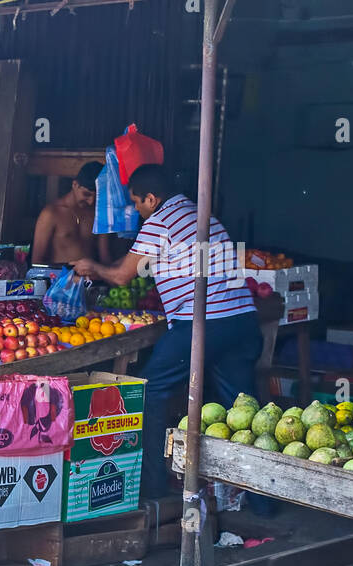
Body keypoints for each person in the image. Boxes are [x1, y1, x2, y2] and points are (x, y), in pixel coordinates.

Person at [71, 164, 261, 498]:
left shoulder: (159, 222)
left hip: (204, 324)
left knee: (151, 390)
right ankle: (262, 501)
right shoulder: (203, 215)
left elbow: (121, 276)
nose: (136, 210)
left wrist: (92, 267)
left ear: (152, 198)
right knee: (244, 410)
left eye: (138, 203)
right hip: (242, 320)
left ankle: (152, 490)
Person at [32, 161, 107, 265]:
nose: (91, 201)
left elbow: (105, 259)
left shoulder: (99, 214)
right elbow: (36, 262)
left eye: (97, 196)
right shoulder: (51, 213)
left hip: (92, 278)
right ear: (75, 184)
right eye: (86, 194)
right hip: (58, 278)